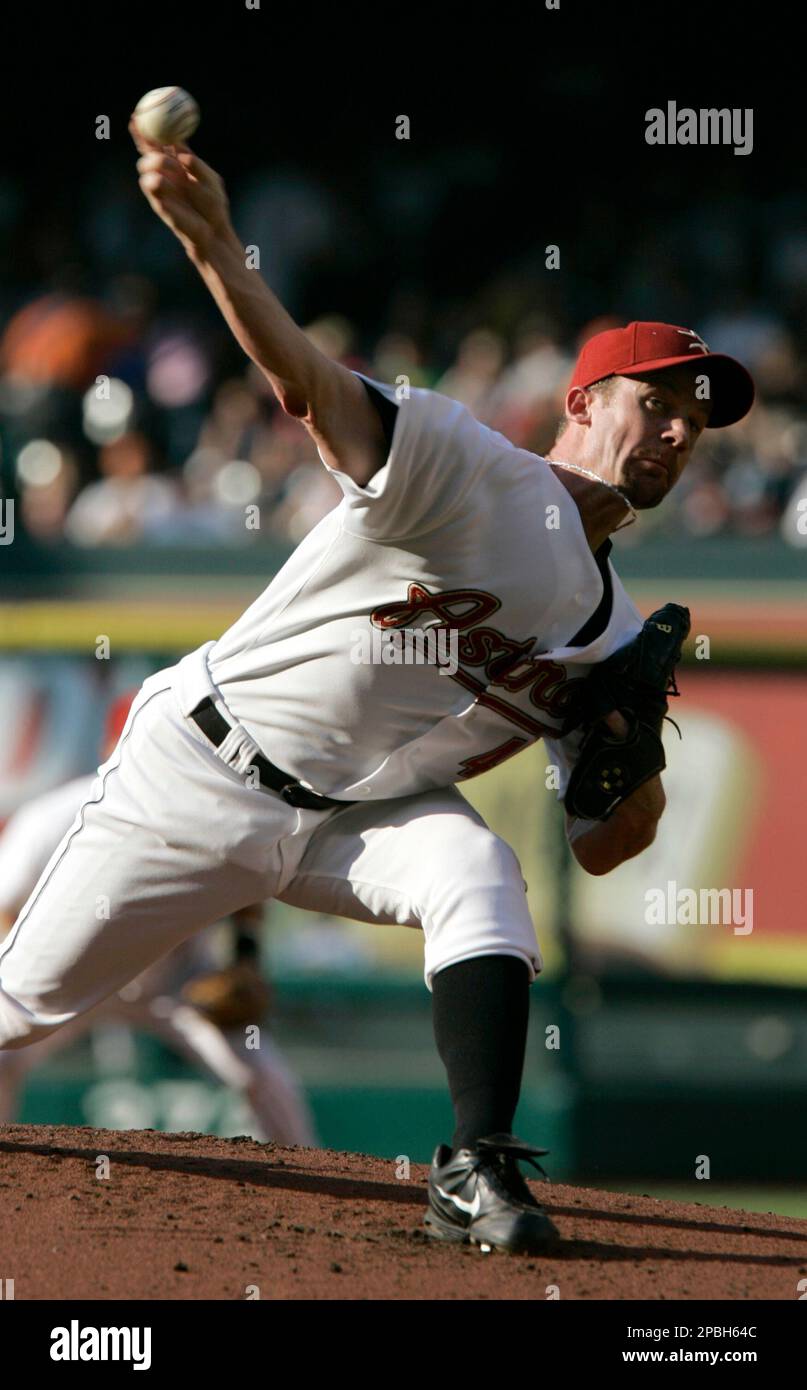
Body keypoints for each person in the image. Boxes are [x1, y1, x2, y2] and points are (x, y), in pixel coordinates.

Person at [0, 122, 754, 1256]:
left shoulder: (617, 628)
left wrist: (629, 754)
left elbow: (604, 846)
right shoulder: (469, 466)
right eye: (659, 399)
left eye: (699, 414)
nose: (683, 426)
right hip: (205, 768)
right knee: (16, 1014)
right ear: (585, 402)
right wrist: (216, 247)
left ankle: (476, 1168)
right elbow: (305, 383)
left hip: (350, 820)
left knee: (477, 869)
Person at [0, 693, 315, 1145]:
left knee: (258, 1072)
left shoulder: (204, 812)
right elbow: (6, 906)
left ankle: (310, 1173)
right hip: (72, 976)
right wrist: (34, 972)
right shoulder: (56, 816)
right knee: (3, 1055)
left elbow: (250, 890)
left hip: (176, 980)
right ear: (110, 746)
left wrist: (244, 960)